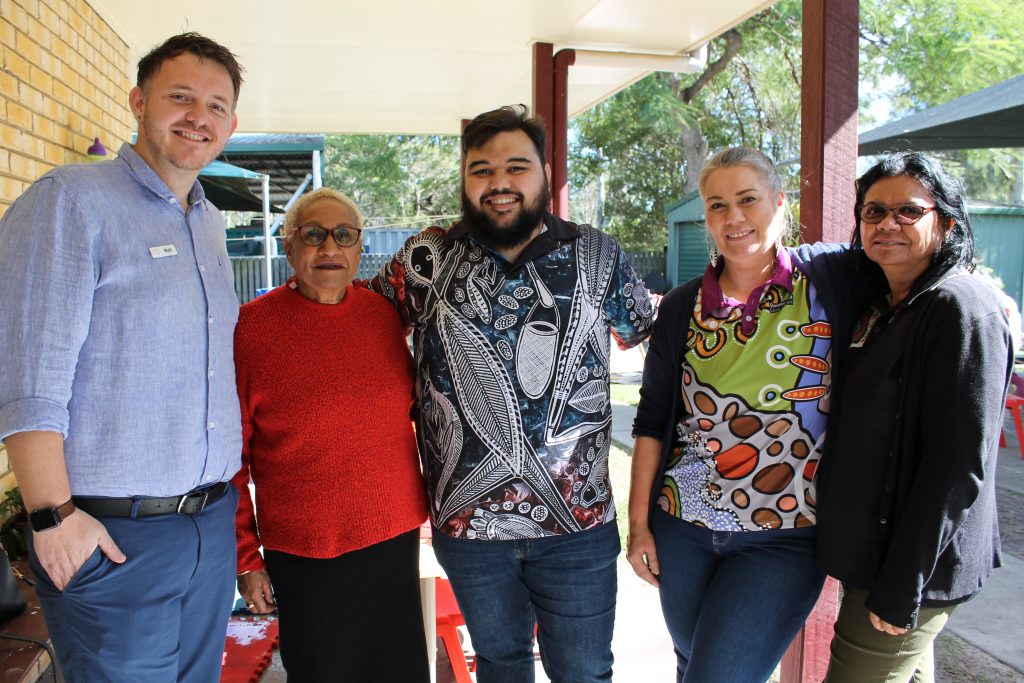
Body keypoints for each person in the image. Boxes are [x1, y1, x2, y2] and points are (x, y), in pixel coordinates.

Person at [366, 104, 653, 682]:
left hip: (579, 524)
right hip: (468, 528)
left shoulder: (600, 255)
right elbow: (358, 330)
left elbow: (652, 343)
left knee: (585, 671)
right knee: (500, 665)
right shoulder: (426, 258)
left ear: (544, 174)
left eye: (516, 167)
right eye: (481, 169)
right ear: (465, 179)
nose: (498, 183)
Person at [0, 33, 243, 681]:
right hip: (111, 534)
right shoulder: (71, 201)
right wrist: (50, 515)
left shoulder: (209, 223)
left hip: (209, 527)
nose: (199, 116)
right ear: (138, 101)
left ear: (232, 124)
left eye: (216, 106)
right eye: (180, 96)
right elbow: (27, 373)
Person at [626, 147, 872, 682]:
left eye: (747, 200)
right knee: (693, 664)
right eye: (717, 205)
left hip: (786, 535)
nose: (733, 217)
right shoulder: (681, 308)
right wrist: (640, 526)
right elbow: (650, 422)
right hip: (682, 527)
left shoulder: (831, 280)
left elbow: (903, 256)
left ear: (779, 203)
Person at [816, 152, 1012, 682]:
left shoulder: (961, 309)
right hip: (873, 554)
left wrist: (904, 585)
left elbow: (958, 465)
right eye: (874, 212)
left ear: (946, 222)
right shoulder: (887, 304)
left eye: (908, 211)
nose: (888, 224)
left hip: (910, 566)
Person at [231, 187, 430, 681]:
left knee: (398, 671)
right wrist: (246, 556)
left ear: (360, 248)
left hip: (392, 537)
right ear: (288, 245)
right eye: (313, 234)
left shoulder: (384, 317)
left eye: (344, 235)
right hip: (303, 549)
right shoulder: (250, 331)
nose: (329, 248)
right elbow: (228, 458)